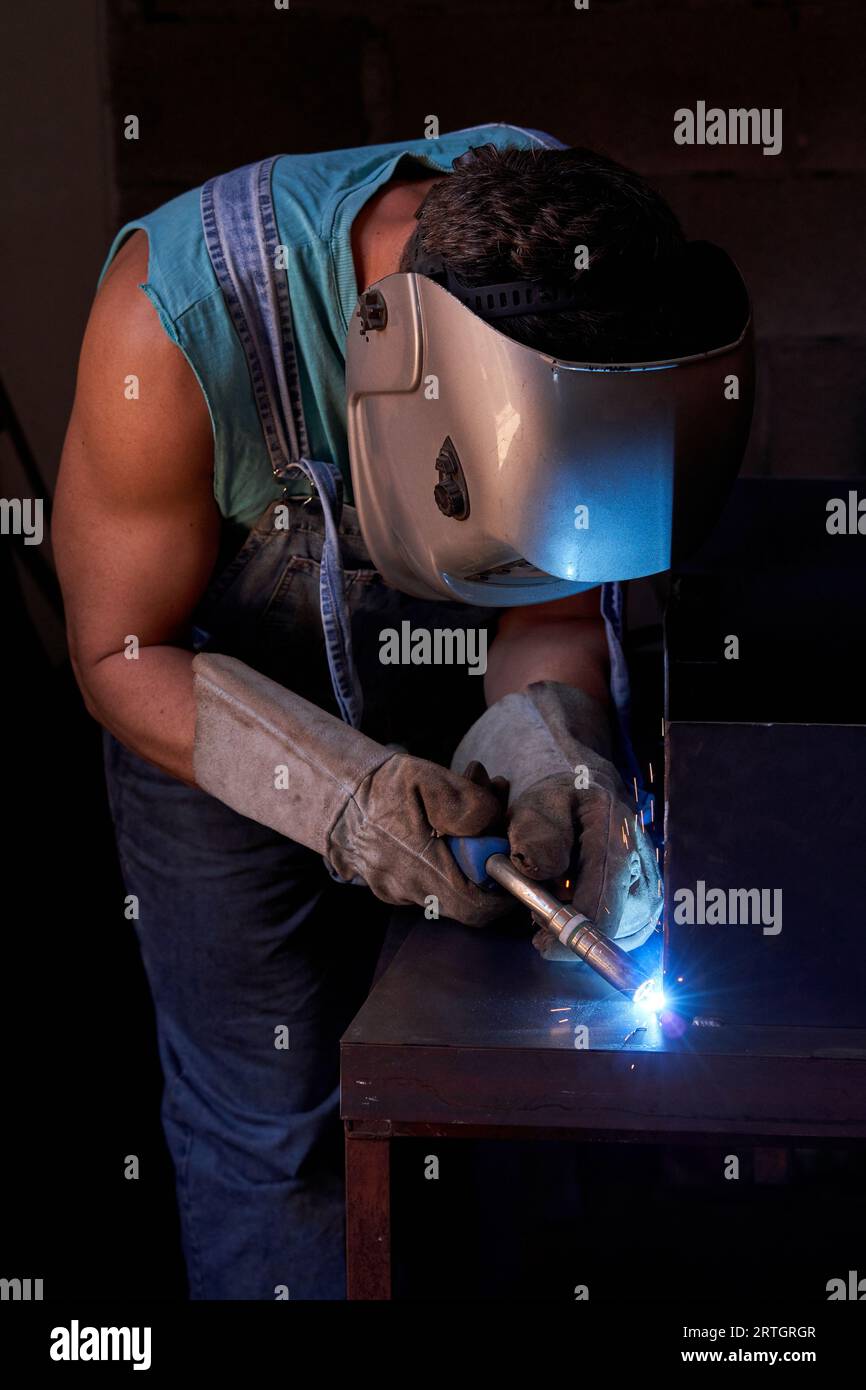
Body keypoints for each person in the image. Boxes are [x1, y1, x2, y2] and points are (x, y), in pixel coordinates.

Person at [54, 124, 752, 1299]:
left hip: (458, 692)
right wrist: (342, 794)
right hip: (207, 716)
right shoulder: (173, 321)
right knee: (277, 1134)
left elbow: (551, 607)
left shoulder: (587, 285)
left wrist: (556, 760)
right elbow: (120, 652)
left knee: (510, 1070)